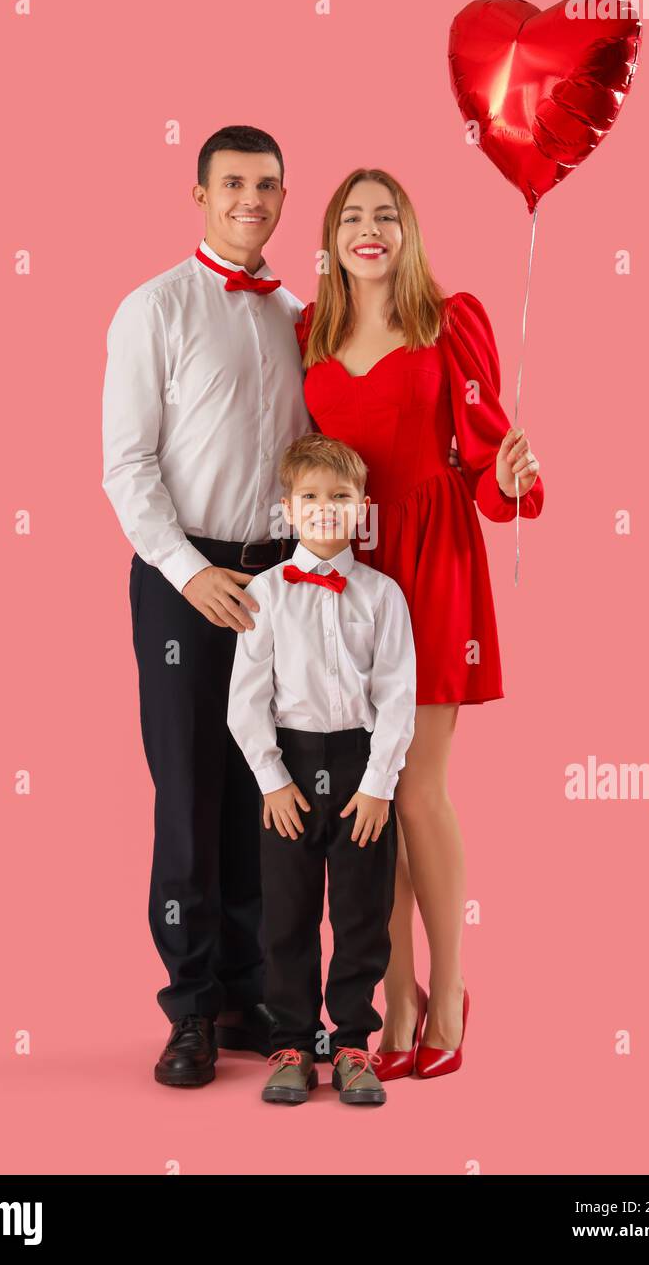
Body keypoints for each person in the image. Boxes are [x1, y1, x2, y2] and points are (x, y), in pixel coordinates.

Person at [293, 168, 545, 1079]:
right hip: (352, 573)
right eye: (352, 216)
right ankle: (393, 1000)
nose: (370, 229)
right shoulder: (308, 334)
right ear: (330, 239)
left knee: (415, 789)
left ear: (407, 232)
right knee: (371, 800)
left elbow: (484, 460)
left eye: (385, 215)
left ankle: (452, 993)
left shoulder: (451, 320)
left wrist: (508, 484)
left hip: (433, 561)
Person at [101, 125, 311, 1086]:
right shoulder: (154, 309)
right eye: (233, 183)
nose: (251, 200)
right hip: (186, 583)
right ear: (199, 193)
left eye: (266, 185)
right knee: (188, 797)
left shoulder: (298, 316)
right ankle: (187, 1010)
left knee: (259, 795)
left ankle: (249, 994)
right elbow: (128, 468)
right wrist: (191, 573)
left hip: (276, 585)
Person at [227, 433, 416, 1105]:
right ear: (289, 509)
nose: (327, 509)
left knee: (363, 910)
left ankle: (354, 1044)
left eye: (341, 497)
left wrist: (377, 788)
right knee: (288, 911)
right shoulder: (268, 593)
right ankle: (292, 1042)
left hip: (359, 767)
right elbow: (245, 702)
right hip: (292, 769)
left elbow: (398, 697)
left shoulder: (383, 596)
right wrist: (273, 781)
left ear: (362, 508)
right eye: (312, 498)